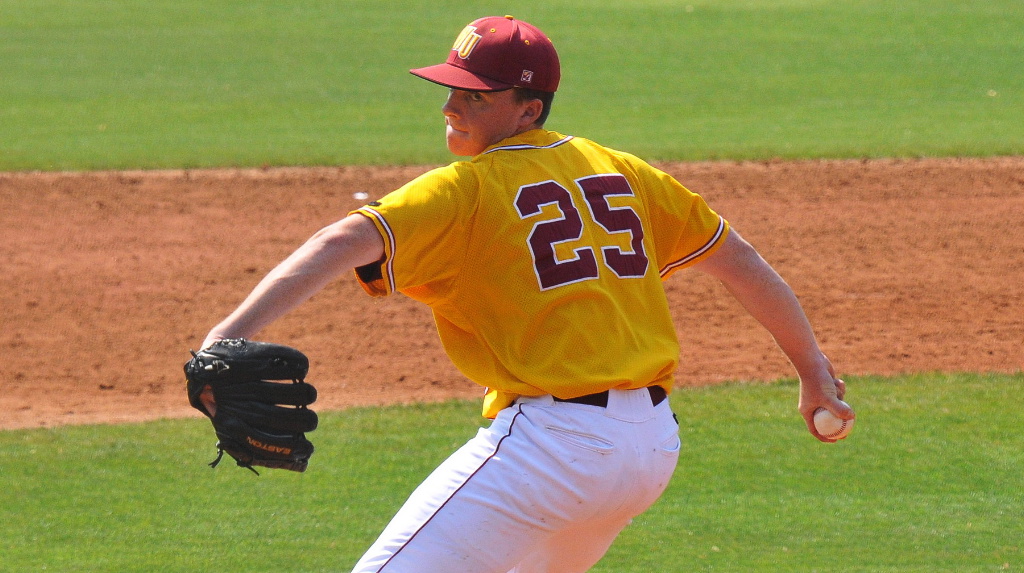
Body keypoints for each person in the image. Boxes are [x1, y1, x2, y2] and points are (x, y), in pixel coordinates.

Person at [197, 15, 854, 572]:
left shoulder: (465, 187)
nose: (453, 106)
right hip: (650, 451)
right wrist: (813, 373)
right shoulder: (622, 170)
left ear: (529, 108)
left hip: (555, 449)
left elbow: (341, 243)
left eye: (476, 97)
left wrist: (225, 336)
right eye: (452, 90)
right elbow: (738, 259)